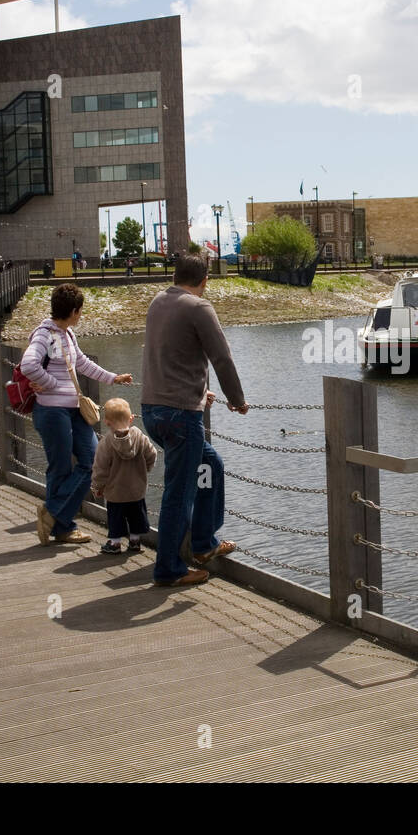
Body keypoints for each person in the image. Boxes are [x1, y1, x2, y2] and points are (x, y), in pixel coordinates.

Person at [141, 247, 248, 588]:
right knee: (179, 492)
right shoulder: (199, 306)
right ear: (204, 281)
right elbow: (222, 357)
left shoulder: (158, 302)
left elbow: (173, 356)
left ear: (174, 277)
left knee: (209, 465)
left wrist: (201, 393)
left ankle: (203, 543)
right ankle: (168, 568)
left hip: (152, 411)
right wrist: (237, 400)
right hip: (180, 417)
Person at [20, 284, 133, 546]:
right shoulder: (45, 335)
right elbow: (28, 364)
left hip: (73, 410)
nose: (80, 315)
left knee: (93, 461)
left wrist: (112, 378)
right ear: (73, 311)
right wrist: (50, 383)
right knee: (59, 468)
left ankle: (53, 512)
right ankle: (63, 527)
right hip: (51, 411)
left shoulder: (67, 334)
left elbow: (81, 363)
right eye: (80, 311)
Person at [91, 397, 158, 555]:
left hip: (115, 492)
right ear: (131, 418)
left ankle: (115, 544)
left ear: (107, 422)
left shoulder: (105, 443)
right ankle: (135, 541)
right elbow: (152, 454)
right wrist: (146, 468)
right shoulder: (139, 436)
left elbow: (100, 468)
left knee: (116, 517)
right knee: (137, 515)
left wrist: (97, 486)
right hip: (137, 489)